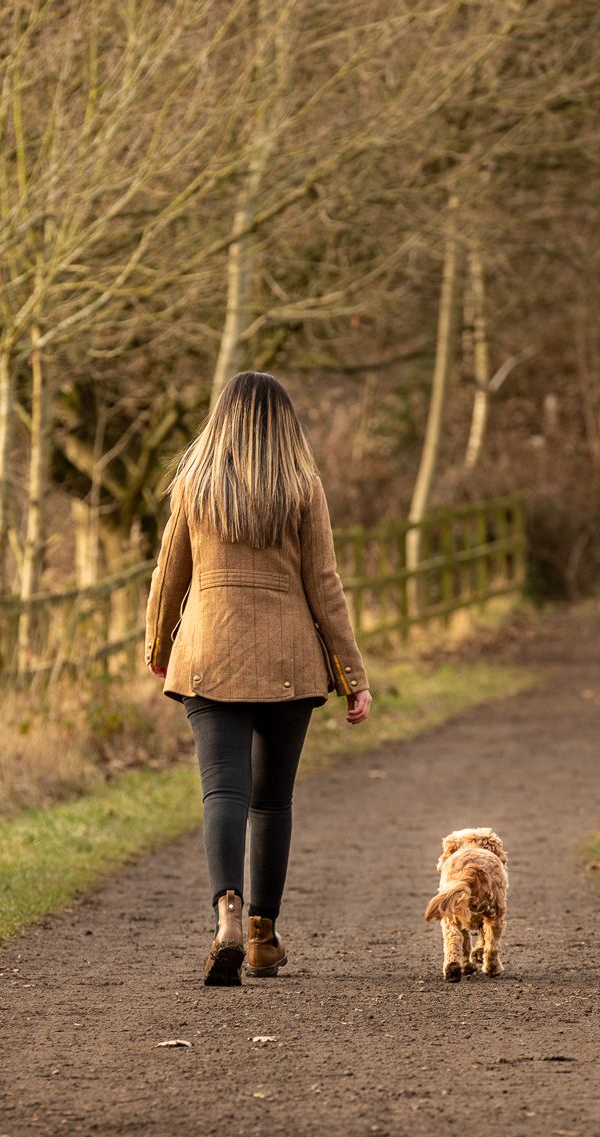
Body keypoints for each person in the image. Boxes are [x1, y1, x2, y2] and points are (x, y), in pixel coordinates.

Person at [144, 371, 372, 986]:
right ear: (283, 423)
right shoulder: (302, 487)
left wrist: (158, 645)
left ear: (222, 419)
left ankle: (226, 912)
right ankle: (261, 936)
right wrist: (353, 675)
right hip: (288, 662)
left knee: (223, 791)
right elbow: (325, 585)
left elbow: (169, 574)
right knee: (271, 801)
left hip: (208, 654)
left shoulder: (194, 483)